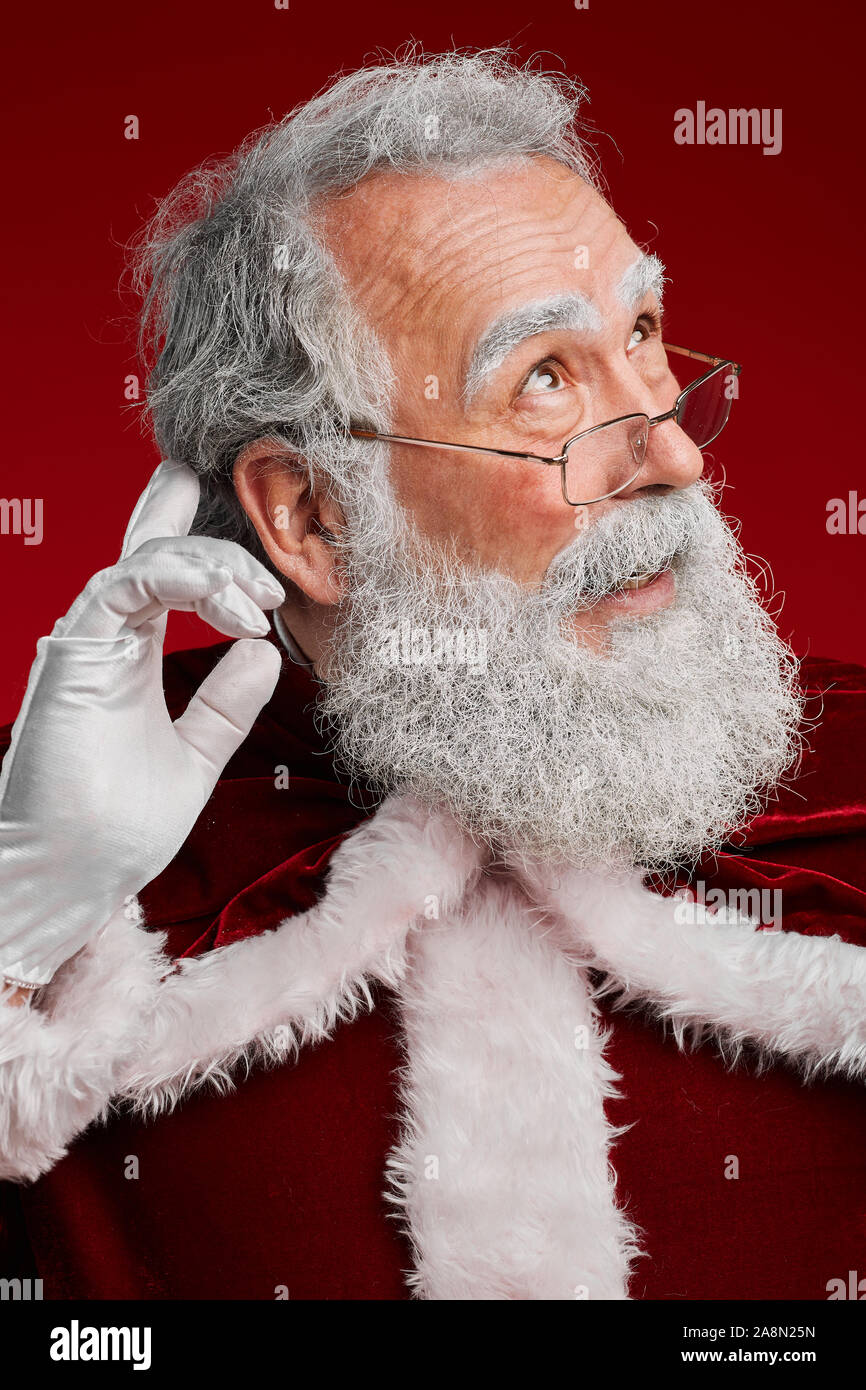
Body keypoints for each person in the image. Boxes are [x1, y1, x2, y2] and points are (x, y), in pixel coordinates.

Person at [1, 49, 864, 1302]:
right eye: (545, 382)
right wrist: (19, 928)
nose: (672, 450)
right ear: (309, 517)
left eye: (642, 334)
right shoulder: (52, 846)